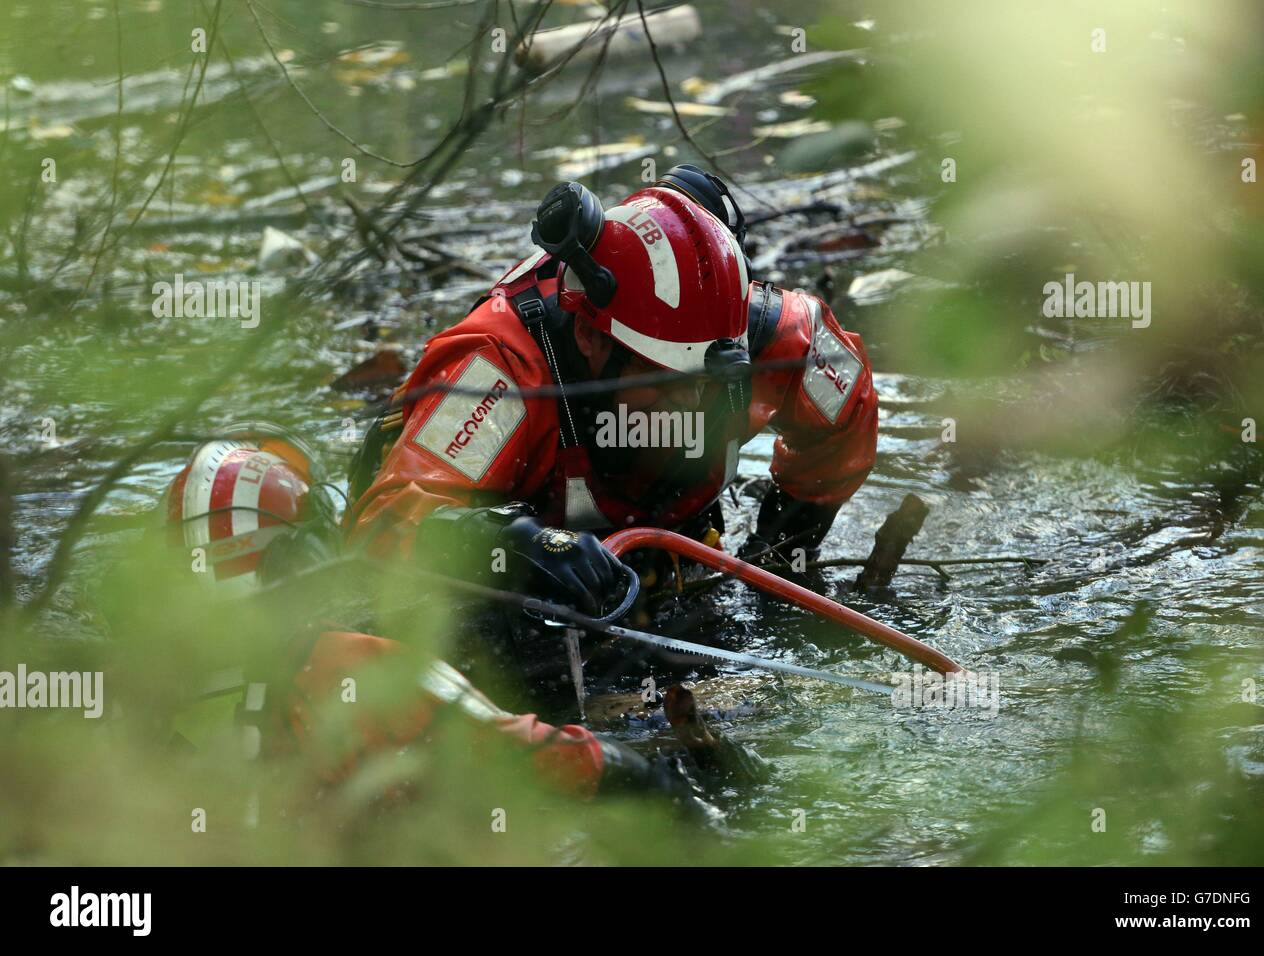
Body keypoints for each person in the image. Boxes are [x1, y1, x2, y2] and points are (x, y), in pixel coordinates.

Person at [346, 165, 880, 617]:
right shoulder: (503, 372)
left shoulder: (783, 339)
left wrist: (780, 555)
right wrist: (506, 543)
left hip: (666, 552)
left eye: (708, 383)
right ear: (590, 336)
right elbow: (388, 525)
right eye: (666, 381)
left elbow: (848, 404)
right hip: (524, 583)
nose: (693, 407)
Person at [160, 427, 714, 811]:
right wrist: (672, 791)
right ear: (305, 560)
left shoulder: (148, 714)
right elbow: (561, 763)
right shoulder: (353, 667)